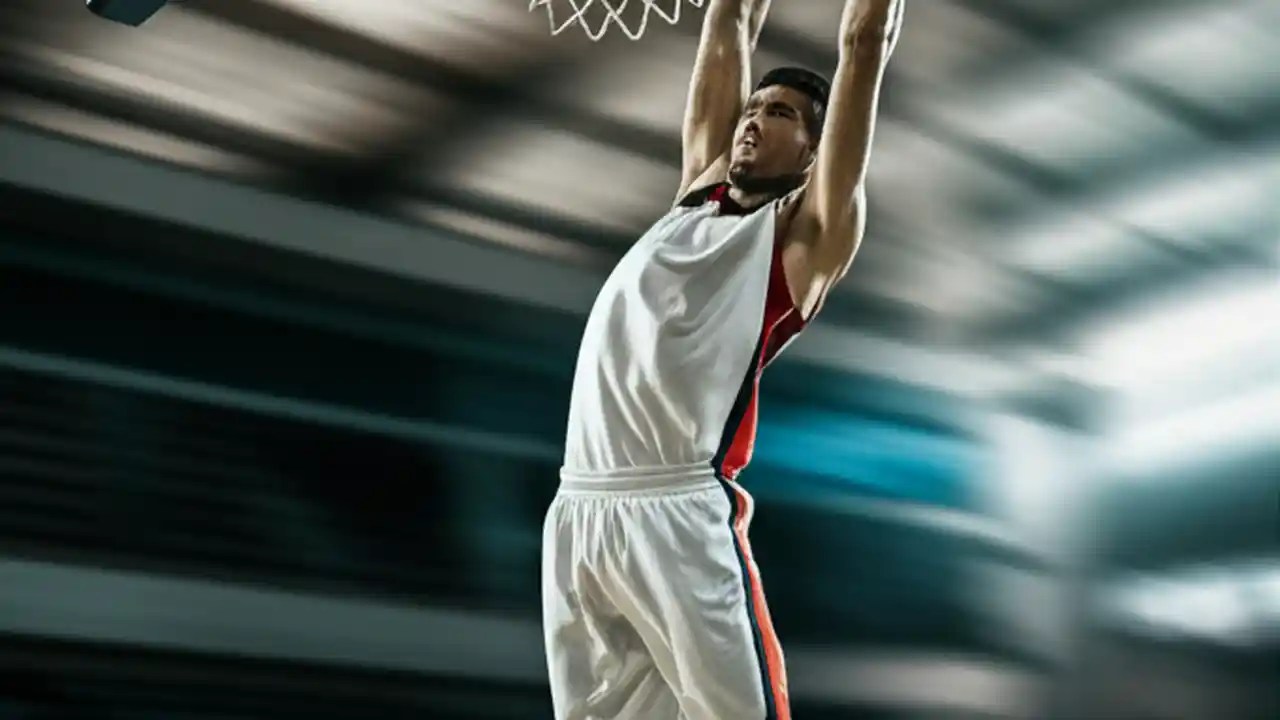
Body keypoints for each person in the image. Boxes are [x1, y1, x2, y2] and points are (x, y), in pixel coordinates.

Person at [541, 1, 904, 718]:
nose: (752, 118)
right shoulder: (695, 195)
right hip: (577, 512)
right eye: (754, 104)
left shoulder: (805, 239)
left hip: (676, 518)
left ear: (812, 151)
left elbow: (864, 44)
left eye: (780, 114)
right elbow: (730, 19)